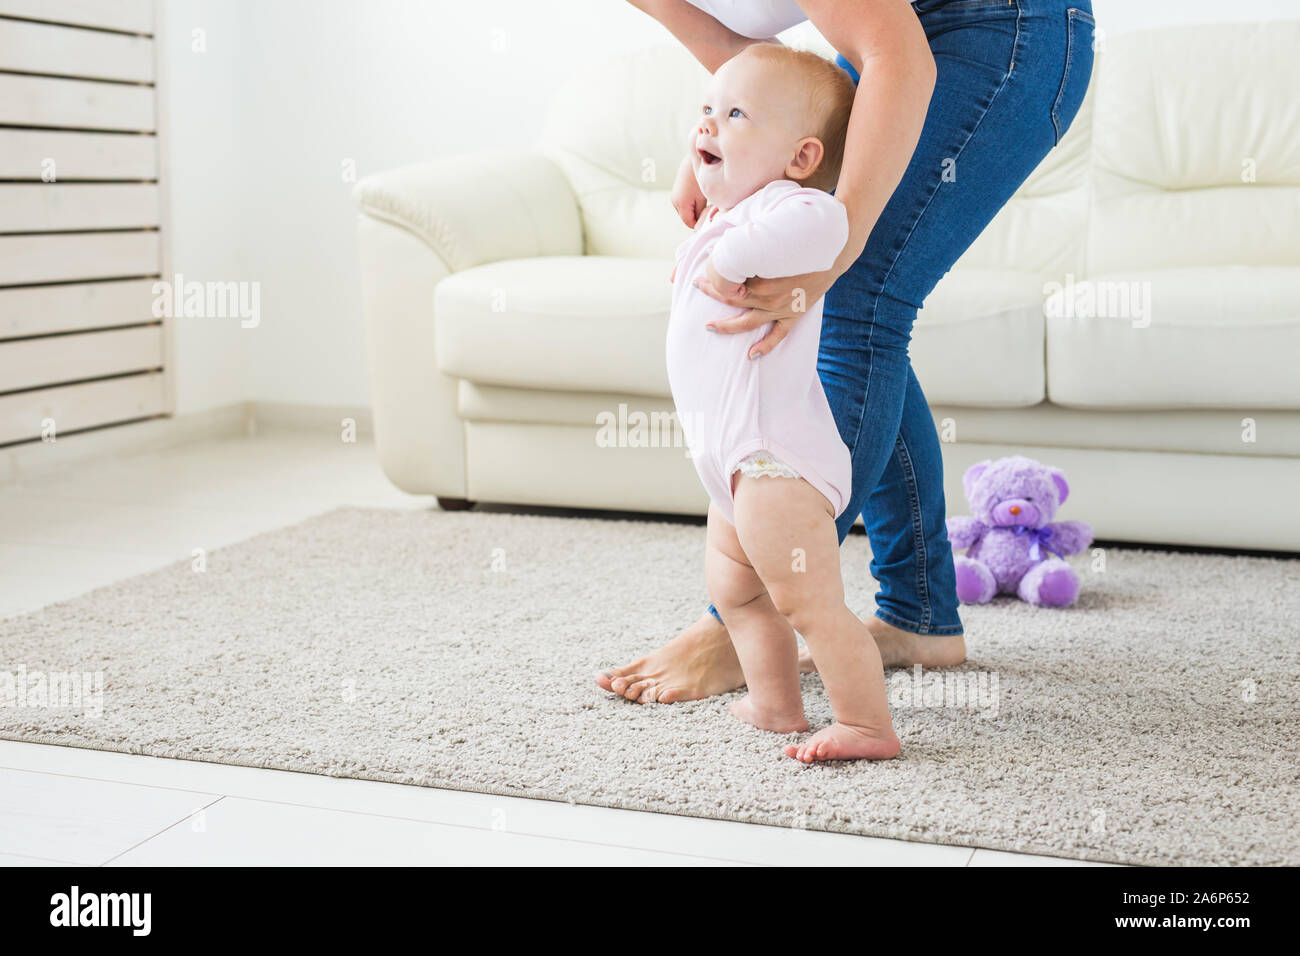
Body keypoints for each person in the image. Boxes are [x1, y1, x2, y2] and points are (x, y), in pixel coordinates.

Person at [599, 0, 1096, 705]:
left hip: (996, 29)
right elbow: (750, 62)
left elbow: (898, 57)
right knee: (857, 305)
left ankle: (747, 617)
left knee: (855, 293)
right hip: (896, 38)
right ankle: (919, 613)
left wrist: (844, 238)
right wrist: (713, 159)